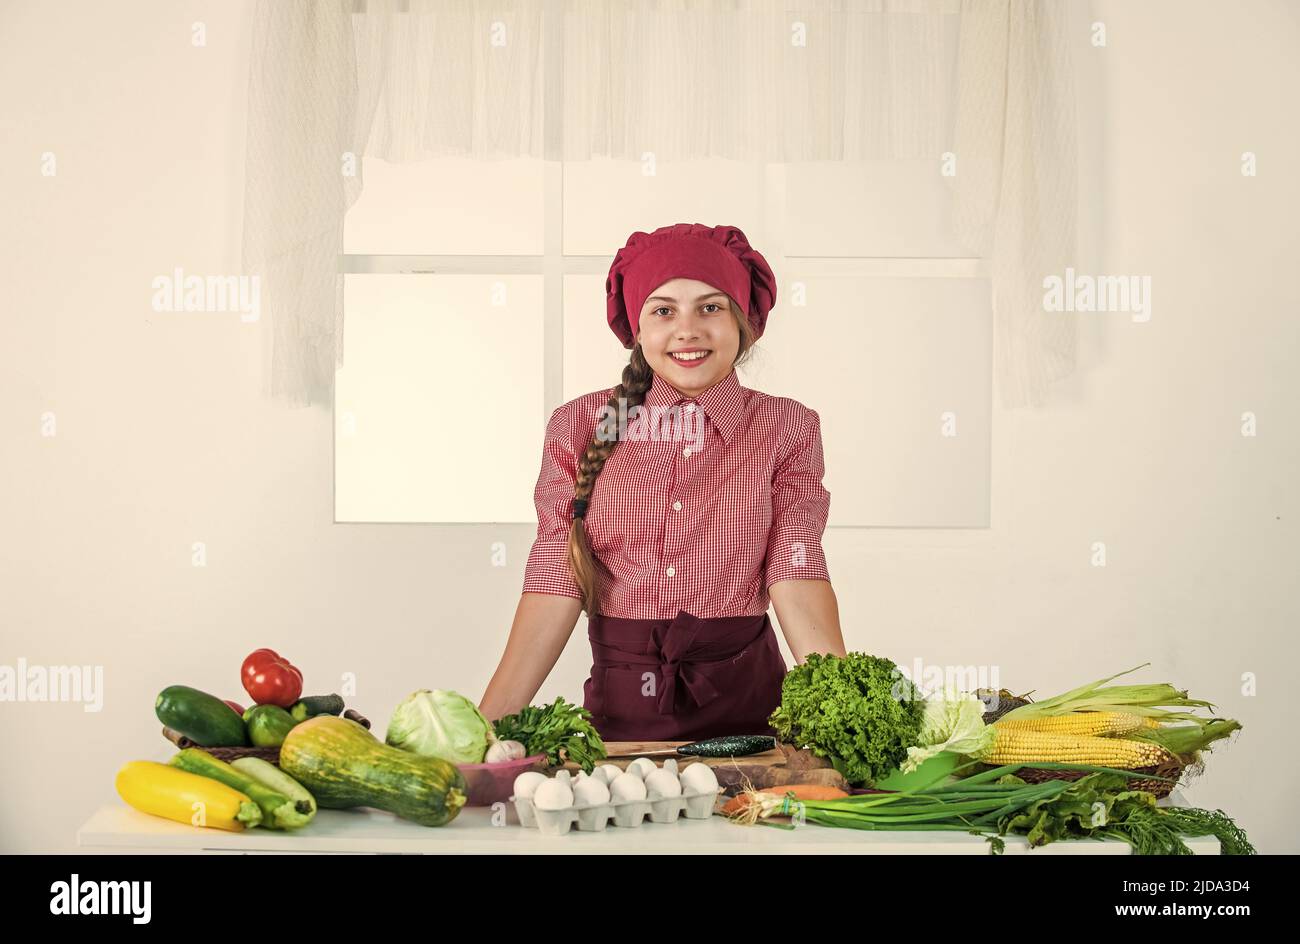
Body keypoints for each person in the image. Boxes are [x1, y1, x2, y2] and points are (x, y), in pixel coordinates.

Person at [480, 223, 845, 740]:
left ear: (744, 321)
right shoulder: (579, 426)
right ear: (637, 325)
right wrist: (484, 730)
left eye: (711, 307)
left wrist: (844, 713)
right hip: (619, 726)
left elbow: (797, 572)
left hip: (755, 723)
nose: (688, 330)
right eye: (664, 309)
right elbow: (554, 582)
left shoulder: (788, 427)